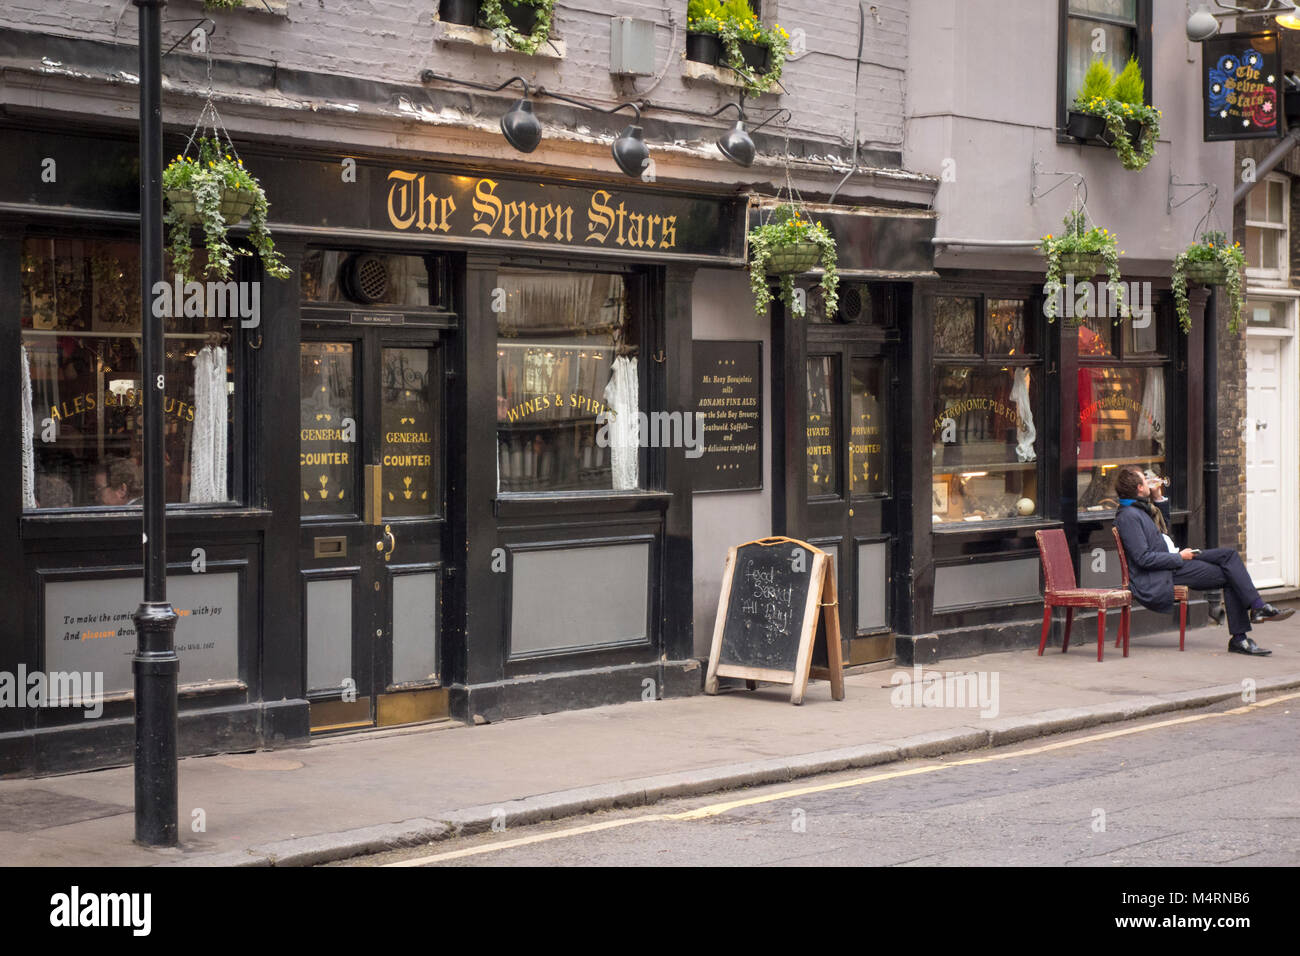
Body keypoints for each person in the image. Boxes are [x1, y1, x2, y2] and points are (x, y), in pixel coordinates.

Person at [1113, 464, 1292, 656]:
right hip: (1162, 573)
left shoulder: (1138, 508)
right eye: (1145, 479)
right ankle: (1246, 627)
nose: (1150, 481)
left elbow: (1162, 532)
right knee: (1230, 573)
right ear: (1140, 488)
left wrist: (1157, 497)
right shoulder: (1129, 516)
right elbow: (1143, 559)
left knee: (1229, 557)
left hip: (1173, 561)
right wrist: (1179, 557)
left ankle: (1255, 613)